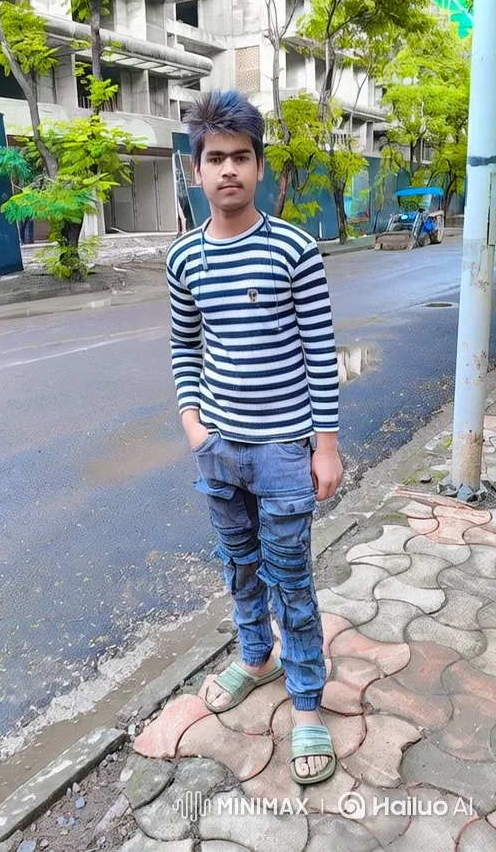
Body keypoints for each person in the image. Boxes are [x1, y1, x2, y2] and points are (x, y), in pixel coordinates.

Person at [166, 90, 343, 786]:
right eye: (215, 158)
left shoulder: (293, 248)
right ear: (197, 170)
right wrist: (193, 423)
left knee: (290, 577)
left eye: (241, 157)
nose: (228, 169)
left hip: (283, 451)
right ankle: (254, 655)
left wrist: (325, 446)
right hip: (218, 450)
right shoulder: (184, 259)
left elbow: (320, 353)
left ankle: (307, 704)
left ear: (259, 167)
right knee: (238, 565)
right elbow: (184, 346)